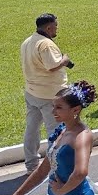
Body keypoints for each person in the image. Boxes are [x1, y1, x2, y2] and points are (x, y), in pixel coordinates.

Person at [21, 13, 71, 173]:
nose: (57, 28)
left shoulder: (28, 41)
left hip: (31, 92)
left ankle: (31, 165)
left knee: (32, 128)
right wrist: (64, 59)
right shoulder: (45, 44)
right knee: (55, 130)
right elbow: (52, 65)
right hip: (49, 94)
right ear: (49, 27)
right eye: (56, 26)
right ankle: (55, 165)